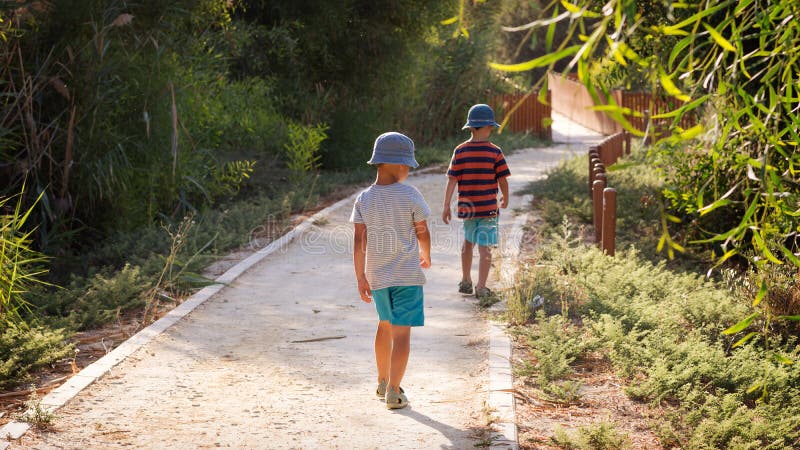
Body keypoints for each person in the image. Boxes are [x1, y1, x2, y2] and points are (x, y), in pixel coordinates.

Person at [350, 131, 432, 410]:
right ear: (396, 165)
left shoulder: (363, 198)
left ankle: (383, 381)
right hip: (407, 276)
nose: (409, 169)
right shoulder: (410, 194)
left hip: (378, 277)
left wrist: (361, 276)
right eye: (408, 164)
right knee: (402, 335)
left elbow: (359, 241)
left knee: (384, 326)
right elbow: (422, 230)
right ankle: (395, 392)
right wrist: (426, 254)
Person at [442, 104, 511, 300]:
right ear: (489, 127)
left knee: (468, 243)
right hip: (488, 208)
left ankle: (465, 280)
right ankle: (481, 287)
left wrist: (446, 205)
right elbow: (503, 179)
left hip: (468, 210)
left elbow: (452, 179)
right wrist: (505, 197)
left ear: (471, 127)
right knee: (485, 248)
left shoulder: (460, 151)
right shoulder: (495, 152)